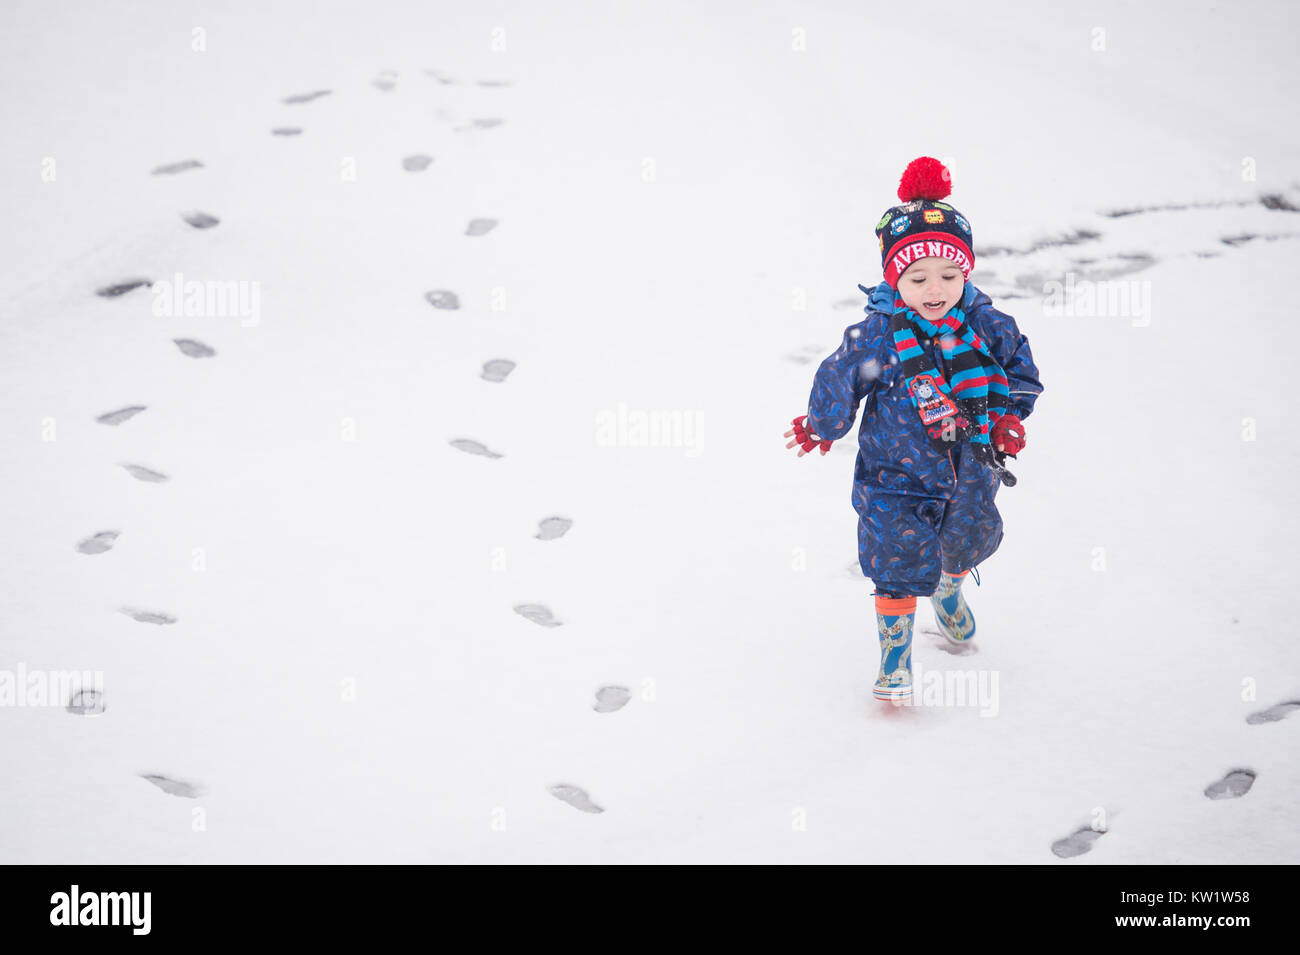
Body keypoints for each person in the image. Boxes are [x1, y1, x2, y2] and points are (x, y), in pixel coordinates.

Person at [784, 156, 1044, 705]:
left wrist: (1008, 419)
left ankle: (950, 584)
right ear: (894, 278)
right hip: (893, 471)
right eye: (917, 278)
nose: (934, 289)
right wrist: (823, 423)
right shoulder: (878, 334)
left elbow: (1021, 375)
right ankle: (895, 658)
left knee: (966, 538)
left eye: (949, 276)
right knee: (895, 555)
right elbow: (840, 374)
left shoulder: (988, 327)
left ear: (966, 273)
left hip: (970, 468)